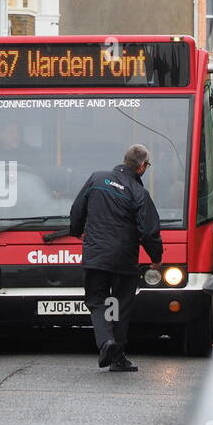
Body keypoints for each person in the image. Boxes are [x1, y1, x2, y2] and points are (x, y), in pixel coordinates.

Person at [69, 144, 164, 372]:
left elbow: (76, 210)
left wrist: (76, 231)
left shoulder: (96, 179)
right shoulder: (139, 192)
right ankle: (117, 356)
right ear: (141, 167)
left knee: (98, 301)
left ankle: (106, 343)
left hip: (96, 256)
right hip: (123, 260)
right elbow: (149, 230)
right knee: (119, 306)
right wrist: (156, 257)